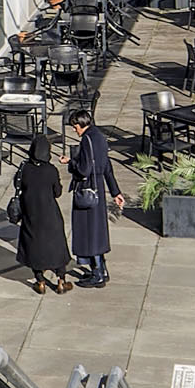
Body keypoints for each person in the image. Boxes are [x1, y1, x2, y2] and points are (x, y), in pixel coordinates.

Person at [13, 135, 74, 295]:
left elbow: (17, 185)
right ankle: (61, 280)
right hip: (50, 214)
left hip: (31, 214)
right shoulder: (51, 170)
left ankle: (40, 281)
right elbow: (57, 192)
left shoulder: (25, 169)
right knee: (57, 246)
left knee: (34, 246)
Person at [66, 117, 117, 287]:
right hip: (98, 189)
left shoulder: (87, 139)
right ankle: (102, 269)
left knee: (89, 234)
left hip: (87, 190)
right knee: (97, 232)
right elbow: (107, 166)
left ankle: (97, 274)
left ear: (82, 124)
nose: (75, 130)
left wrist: (71, 162)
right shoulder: (100, 137)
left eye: (75, 126)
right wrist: (115, 191)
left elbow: (84, 169)